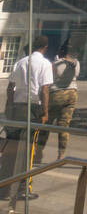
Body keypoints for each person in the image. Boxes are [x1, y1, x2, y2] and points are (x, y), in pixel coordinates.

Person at [0, 36, 52, 202]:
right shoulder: (45, 64)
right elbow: (44, 90)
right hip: (33, 109)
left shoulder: (20, 62)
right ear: (45, 47)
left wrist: (10, 107)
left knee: (10, 151)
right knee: (28, 151)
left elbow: (10, 88)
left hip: (17, 108)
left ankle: (4, 187)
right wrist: (45, 112)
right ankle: (23, 188)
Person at [35, 41, 80, 162]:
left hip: (56, 94)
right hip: (72, 93)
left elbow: (50, 80)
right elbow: (76, 72)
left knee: (47, 123)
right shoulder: (76, 63)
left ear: (60, 52)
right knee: (64, 125)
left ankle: (39, 152)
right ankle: (61, 155)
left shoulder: (55, 64)